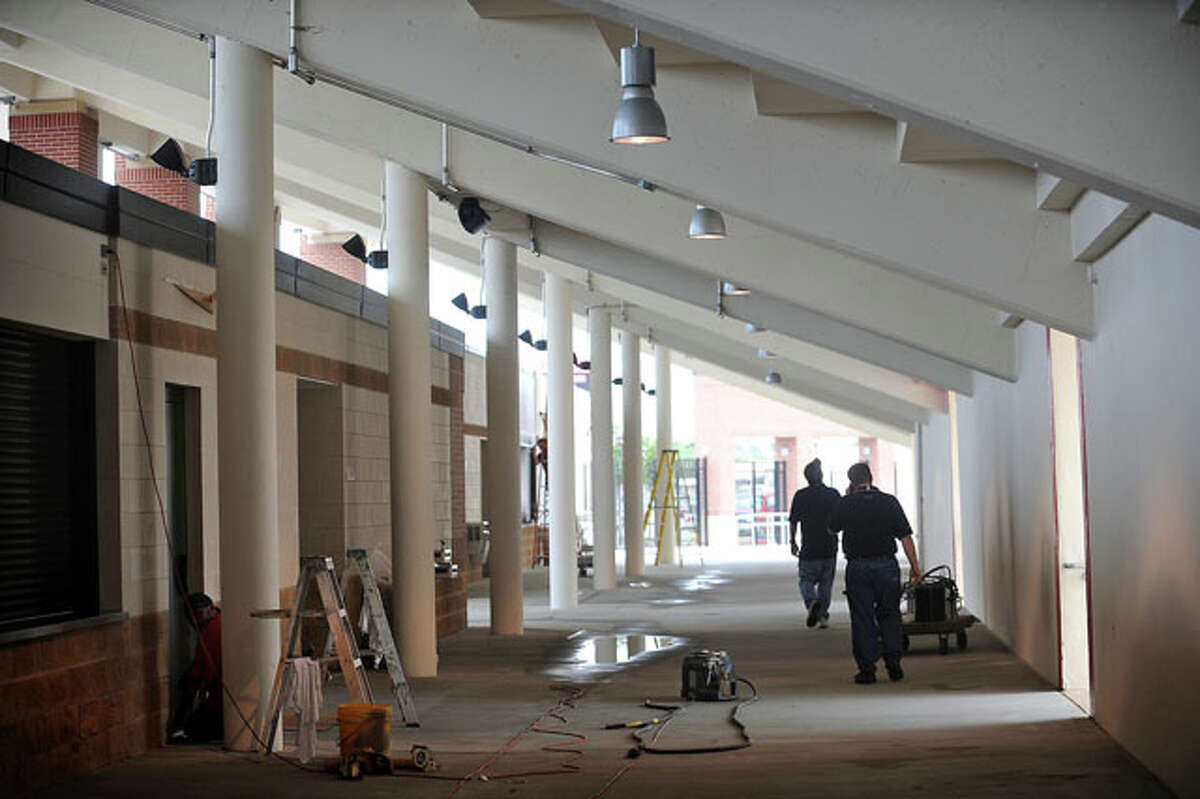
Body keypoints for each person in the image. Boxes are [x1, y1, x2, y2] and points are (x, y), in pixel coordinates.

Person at [828, 462, 921, 684]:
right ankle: (894, 662)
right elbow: (905, 537)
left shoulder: (845, 503)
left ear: (851, 482)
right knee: (890, 614)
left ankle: (867, 670)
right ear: (871, 477)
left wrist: (846, 501)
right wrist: (915, 567)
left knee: (862, 618)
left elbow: (831, 529)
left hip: (858, 567)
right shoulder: (889, 502)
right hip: (887, 566)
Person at [788, 458, 840, 629]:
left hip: (809, 547)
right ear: (822, 475)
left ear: (807, 478)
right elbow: (841, 518)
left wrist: (793, 541)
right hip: (829, 547)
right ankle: (822, 616)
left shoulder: (801, 495)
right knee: (826, 583)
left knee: (805, 580)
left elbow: (793, 521)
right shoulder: (833, 494)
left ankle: (811, 602)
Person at [169, 592, 223, 742]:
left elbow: (195, 678)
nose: (195, 621)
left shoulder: (212, 631)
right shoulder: (218, 622)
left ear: (211, 610)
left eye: (199, 614)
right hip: (223, 697)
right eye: (191, 617)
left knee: (193, 728)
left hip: (223, 703)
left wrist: (178, 722)